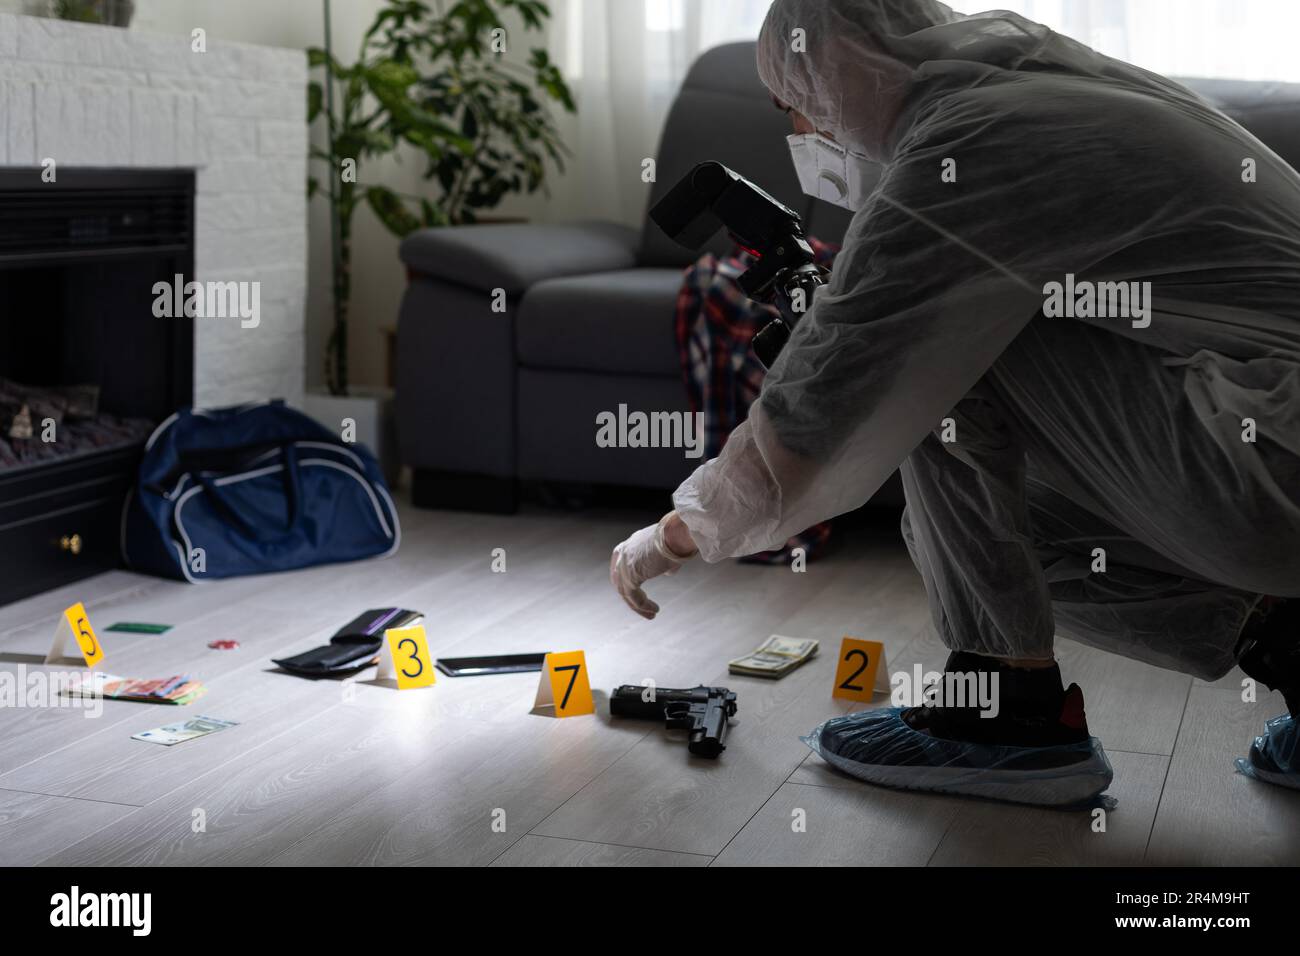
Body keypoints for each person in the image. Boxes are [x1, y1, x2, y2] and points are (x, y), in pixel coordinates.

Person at [610, 0, 1300, 803]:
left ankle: (1004, 712)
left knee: (933, 349)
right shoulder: (1037, 91)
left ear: (835, 67)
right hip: (1265, 450)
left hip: (1271, 458)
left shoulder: (973, 142)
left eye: (789, 101)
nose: (800, 130)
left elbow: (836, 389)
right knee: (988, 540)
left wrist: (674, 535)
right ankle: (1286, 640)